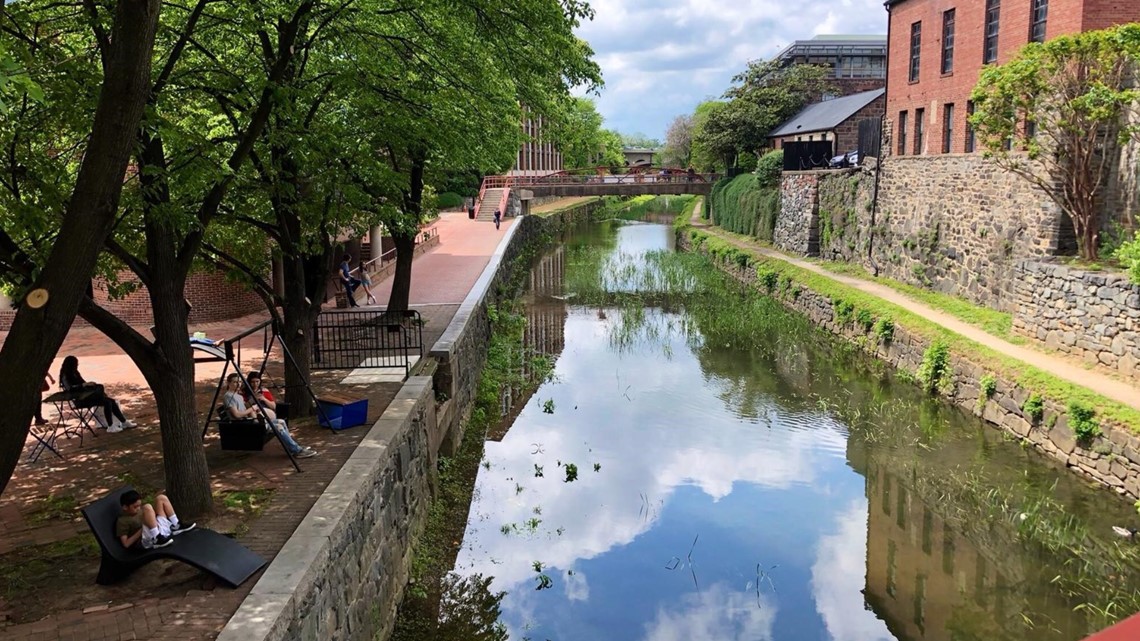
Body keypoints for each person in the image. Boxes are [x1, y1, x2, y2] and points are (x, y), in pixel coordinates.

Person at [222, 372, 316, 458]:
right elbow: (237, 415)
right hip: (246, 425)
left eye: (239, 382)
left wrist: (254, 406)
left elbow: (245, 408)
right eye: (235, 382)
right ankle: (297, 450)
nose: (238, 384)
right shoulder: (228, 396)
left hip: (250, 420)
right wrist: (252, 408)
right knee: (278, 426)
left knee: (281, 421)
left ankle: (292, 447)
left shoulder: (237, 395)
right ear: (228, 383)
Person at [59, 355, 136, 432]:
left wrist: (89, 384)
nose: (77, 365)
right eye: (76, 364)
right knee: (107, 402)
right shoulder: (65, 376)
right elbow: (70, 388)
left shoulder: (75, 372)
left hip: (86, 396)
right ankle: (110, 426)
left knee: (110, 400)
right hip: (79, 399)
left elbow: (83, 382)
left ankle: (123, 422)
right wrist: (83, 385)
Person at [116, 489, 195, 550]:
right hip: (146, 540)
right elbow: (126, 544)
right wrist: (141, 530)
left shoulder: (139, 511)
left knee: (161, 498)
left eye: (139, 506)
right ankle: (157, 538)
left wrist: (153, 519)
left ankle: (176, 525)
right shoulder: (122, 521)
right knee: (147, 507)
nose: (138, 508)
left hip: (156, 530)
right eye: (135, 507)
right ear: (125, 507)